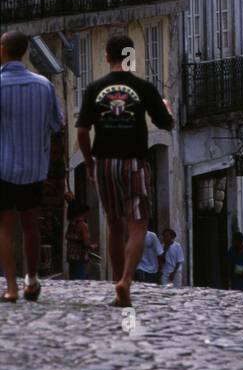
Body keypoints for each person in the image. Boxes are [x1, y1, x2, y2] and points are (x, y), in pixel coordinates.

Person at [76, 33, 174, 309]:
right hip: (133, 163)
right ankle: (126, 281)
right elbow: (166, 124)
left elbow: (83, 130)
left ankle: (119, 283)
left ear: (107, 57)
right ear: (131, 55)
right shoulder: (143, 87)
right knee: (138, 225)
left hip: (105, 163)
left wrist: (89, 161)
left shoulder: (94, 88)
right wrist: (168, 109)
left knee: (114, 226)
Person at [0, 31, 65, 304]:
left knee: (5, 226)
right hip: (35, 169)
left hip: (3, 167)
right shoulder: (44, 85)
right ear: (26, 51)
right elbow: (57, 124)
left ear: (3, 49)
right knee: (30, 226)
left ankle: (11, 286)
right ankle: (32, 280)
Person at [65, 201, 92, 280]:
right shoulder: (83, 225)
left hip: (71, 257)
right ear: (84, 212)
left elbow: (67, 236)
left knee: (73, 279)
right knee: (80, 280)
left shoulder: (71, 224)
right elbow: (86, 243)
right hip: (80, 257)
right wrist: (92, 246)